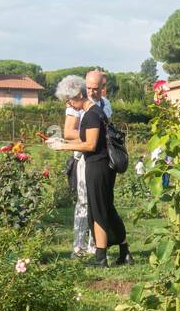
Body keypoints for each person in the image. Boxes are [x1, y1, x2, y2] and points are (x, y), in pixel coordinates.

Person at [50, 92, 130, 268]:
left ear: (79, 94)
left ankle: (101, 259)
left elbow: (90, 145)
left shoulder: (92, 115)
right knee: (107, 209)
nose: (68, 104)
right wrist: (63, 141)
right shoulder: (95, 112)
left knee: (98, 211)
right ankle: (125, 252)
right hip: (102, 165)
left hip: (98, 166)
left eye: (69, 100)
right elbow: (85, 138)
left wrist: (63, 147)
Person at [55, 75, 94, 258]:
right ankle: (79, 246)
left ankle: (96, 245)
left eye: (97, 87)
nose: (68, 104)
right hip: (84, 157)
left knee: (99, 203)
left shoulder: (100, 106)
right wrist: (89, 137)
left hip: (99, 159)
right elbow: (69, 133)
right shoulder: (75, 108)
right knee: (84, 201)